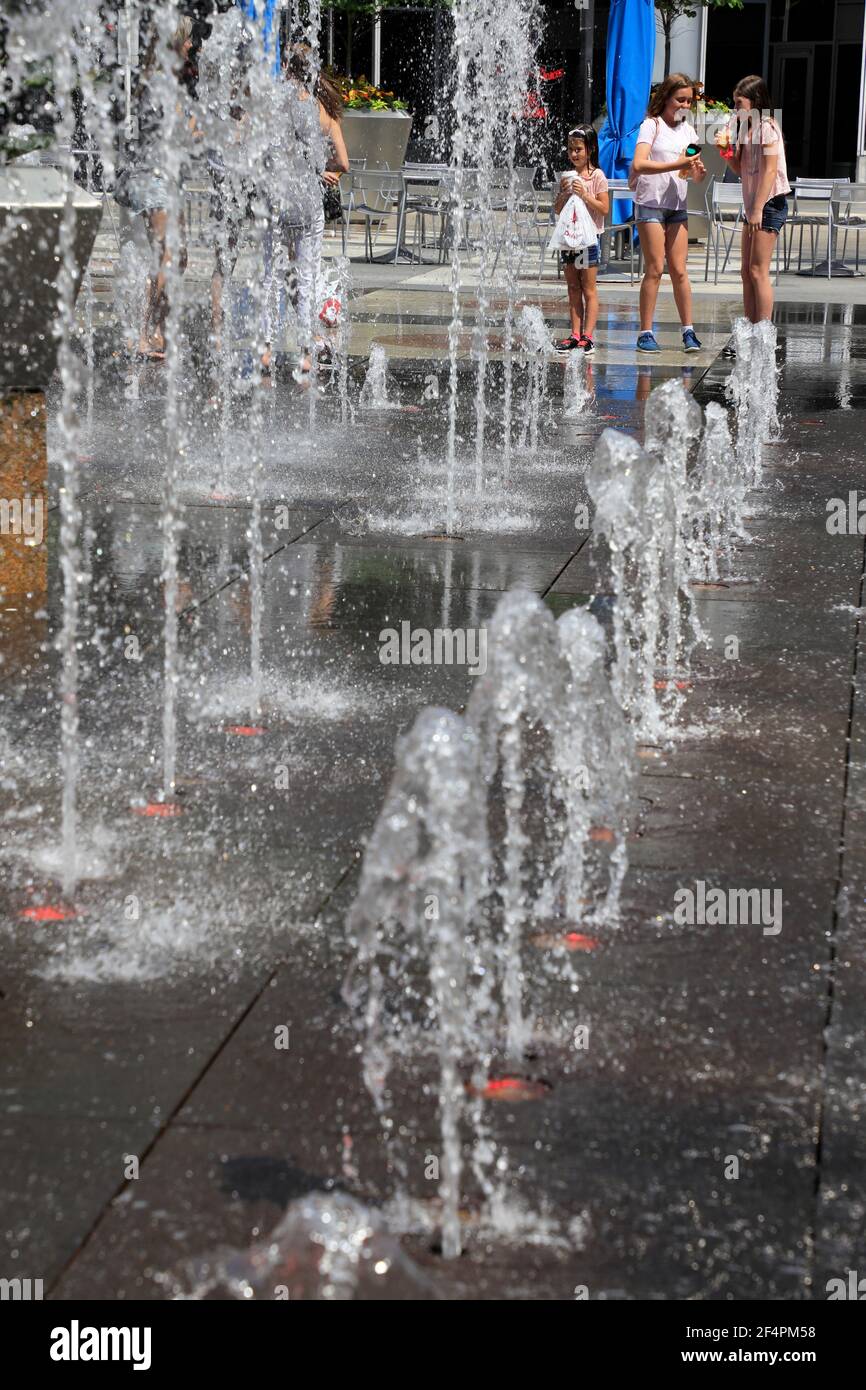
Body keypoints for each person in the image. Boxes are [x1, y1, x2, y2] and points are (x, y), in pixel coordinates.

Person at [261, 45, 349, 379]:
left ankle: (266, 351)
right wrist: (321, 171)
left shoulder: (274, 103)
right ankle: (305, 354)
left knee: (271, 275)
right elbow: (343, 162)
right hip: (308, 202)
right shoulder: (323, 108)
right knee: (307, 274)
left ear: (287, 68)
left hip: (278, 199)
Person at [120, 17, 195, 361]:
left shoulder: (162, 82)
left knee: (177, 258)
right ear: (175, 44)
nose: (192, 46)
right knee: (166, 258)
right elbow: (173, 137)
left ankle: (158, 330)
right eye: (188, 41)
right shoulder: (160, 84)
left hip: (162, 177)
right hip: (154, 178)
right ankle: (144, 332)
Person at [630, 73, 707, 354]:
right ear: (666, 98)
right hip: (650, 201)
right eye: (680, 99)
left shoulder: (689, 132)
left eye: (689, 100)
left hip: (677, 204)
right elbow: (639, 163)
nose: (685, 105)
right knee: (655, 269)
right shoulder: (651, 126)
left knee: (679, 270)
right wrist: (678, 163)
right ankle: (645, 332)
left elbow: (686, 172)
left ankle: (688, 330)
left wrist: (695, 172)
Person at [715, 75, 789, 325]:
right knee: (747, 272)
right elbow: (740, 168)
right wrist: (724, 151)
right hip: (753, 205)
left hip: (767, 204)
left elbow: (769, 170)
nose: (735, 108)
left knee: (758, 271)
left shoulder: (767, 127)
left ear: (755, 101)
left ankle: (764, 329)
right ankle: (750, 325)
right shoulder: (747, 129)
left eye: (739, 103)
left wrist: (757, 209)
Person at [552, 125, 609, 356]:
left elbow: (604, 208)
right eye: (570, 149)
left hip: (588, 240)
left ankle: (588, 335)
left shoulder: (597, 176)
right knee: (572, 286)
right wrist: (564, 193)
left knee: (588, 288)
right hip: (569, 240)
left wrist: (585, 195)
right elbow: (557, 210)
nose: (574, 154)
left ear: (590, 149)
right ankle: (575, 334)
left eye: (578, 149)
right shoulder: (568, 176)